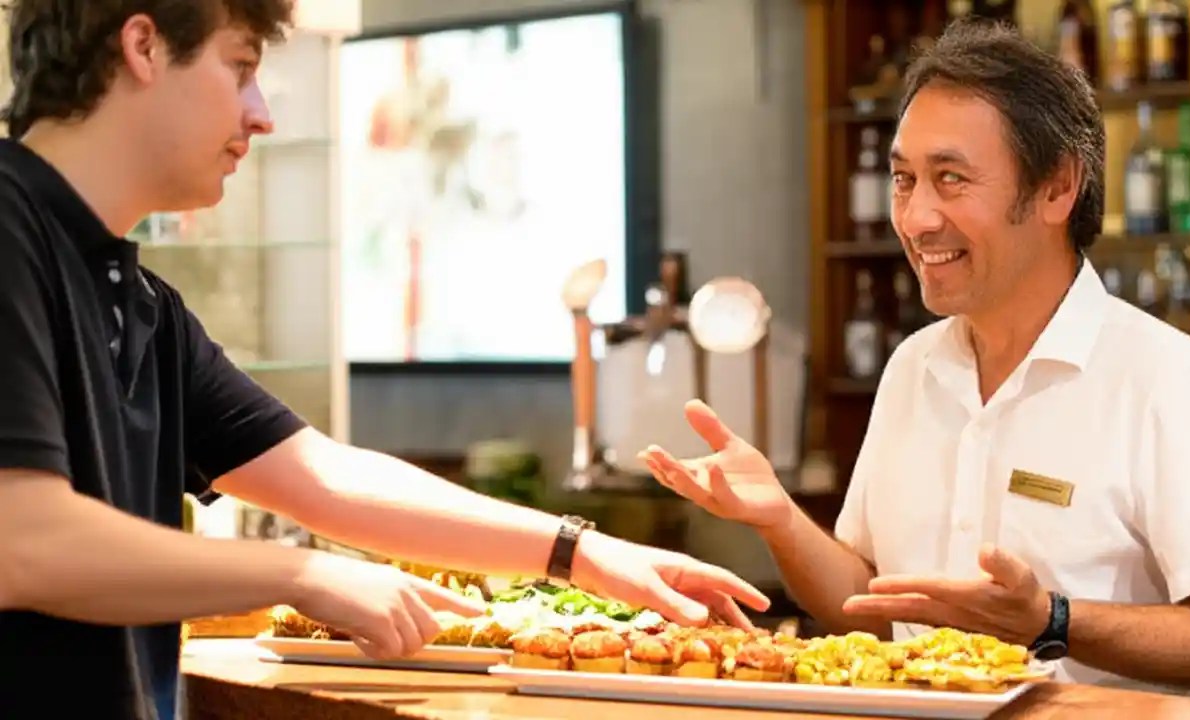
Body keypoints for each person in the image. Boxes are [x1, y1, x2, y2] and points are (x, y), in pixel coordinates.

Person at [0, 2, 769, 718]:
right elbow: (24, 540)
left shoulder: (139, 302)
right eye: (240, 67)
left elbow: (321, 476)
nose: (261, 114)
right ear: (142, 46)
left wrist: (586, 554)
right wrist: (301, 576)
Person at [643, 19, 1190, 701]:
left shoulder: (1170, 382)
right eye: (903, 179)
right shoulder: (914, 367)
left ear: (1057, 187)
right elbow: (874, 604)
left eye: (951, 179)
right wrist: (780, 519)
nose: (915, 218)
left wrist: (1052, 622)